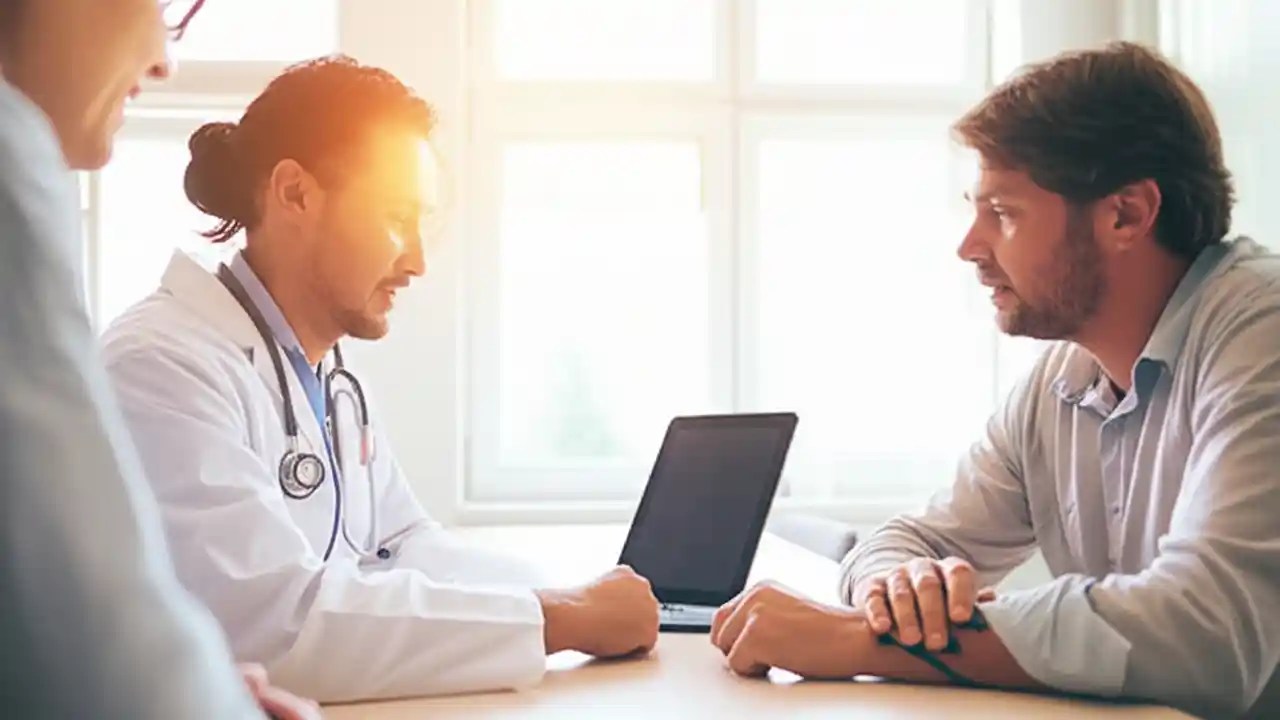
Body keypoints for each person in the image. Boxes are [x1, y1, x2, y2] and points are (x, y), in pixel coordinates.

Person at [708, 41, 1280, 719]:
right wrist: (901, 598)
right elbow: (908, 542)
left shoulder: (1261, 333)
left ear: (1125, 214)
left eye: (1003, 214)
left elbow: (1206, 635)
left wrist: (861, 642)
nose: (969, 247)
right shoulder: (1064, 378)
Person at [100, 54, 661, 704]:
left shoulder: (331, 382)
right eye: (397, 216)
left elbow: (401, 547)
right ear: (295, 194)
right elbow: (273, 627)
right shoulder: (161, 366)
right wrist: (559, 619)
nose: (417, 260)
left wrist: (570, 590)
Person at [0, 0, 317, 717]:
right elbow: (97, 653)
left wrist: (197, 680)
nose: (164, 59)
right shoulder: (10, 160)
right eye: (161, 5)